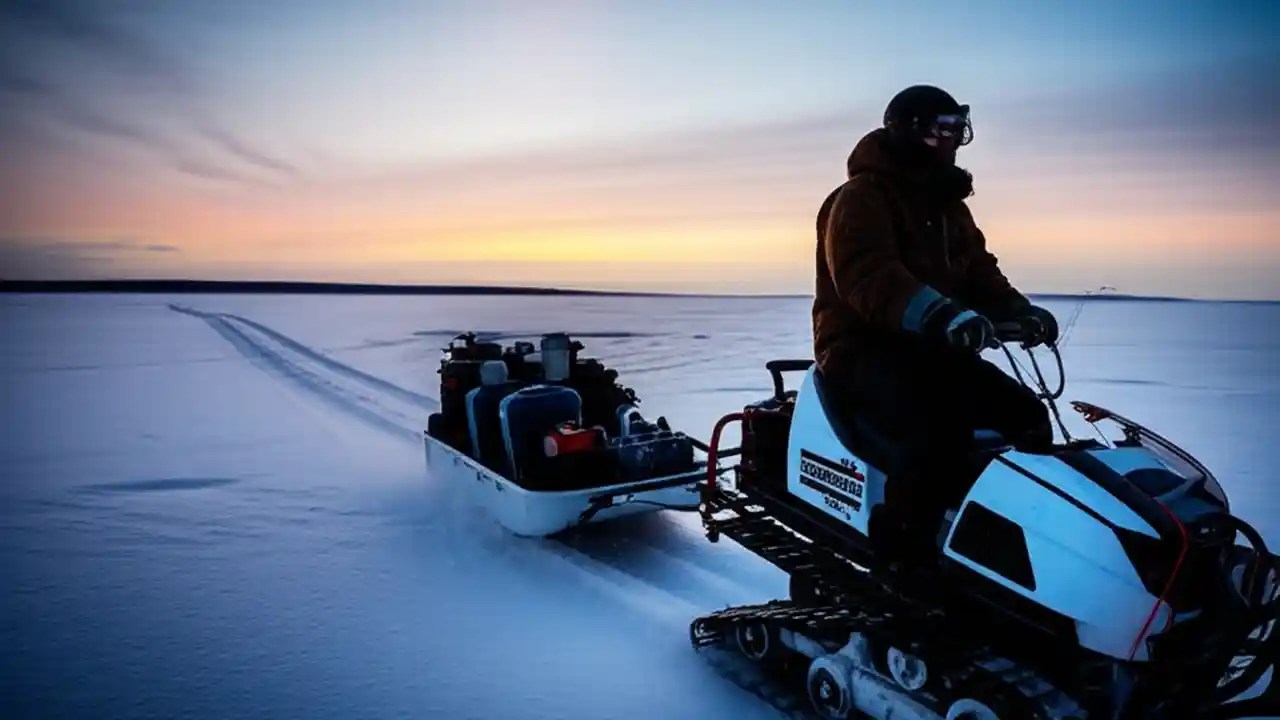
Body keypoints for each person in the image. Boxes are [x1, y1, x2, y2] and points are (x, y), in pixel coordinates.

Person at [811, 85, 1059, 573]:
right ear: (910, 131)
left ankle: (1014, 545)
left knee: (1026, 417)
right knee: (937, 433)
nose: (952, 141)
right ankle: (902, 555)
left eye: (957, 130)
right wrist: (940, 315)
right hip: (863, 349)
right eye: (942, 130)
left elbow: (979, 271)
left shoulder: (948, 207)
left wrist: (1019, 310)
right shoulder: (860, 198)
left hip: (934, 350)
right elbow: (869, 275)